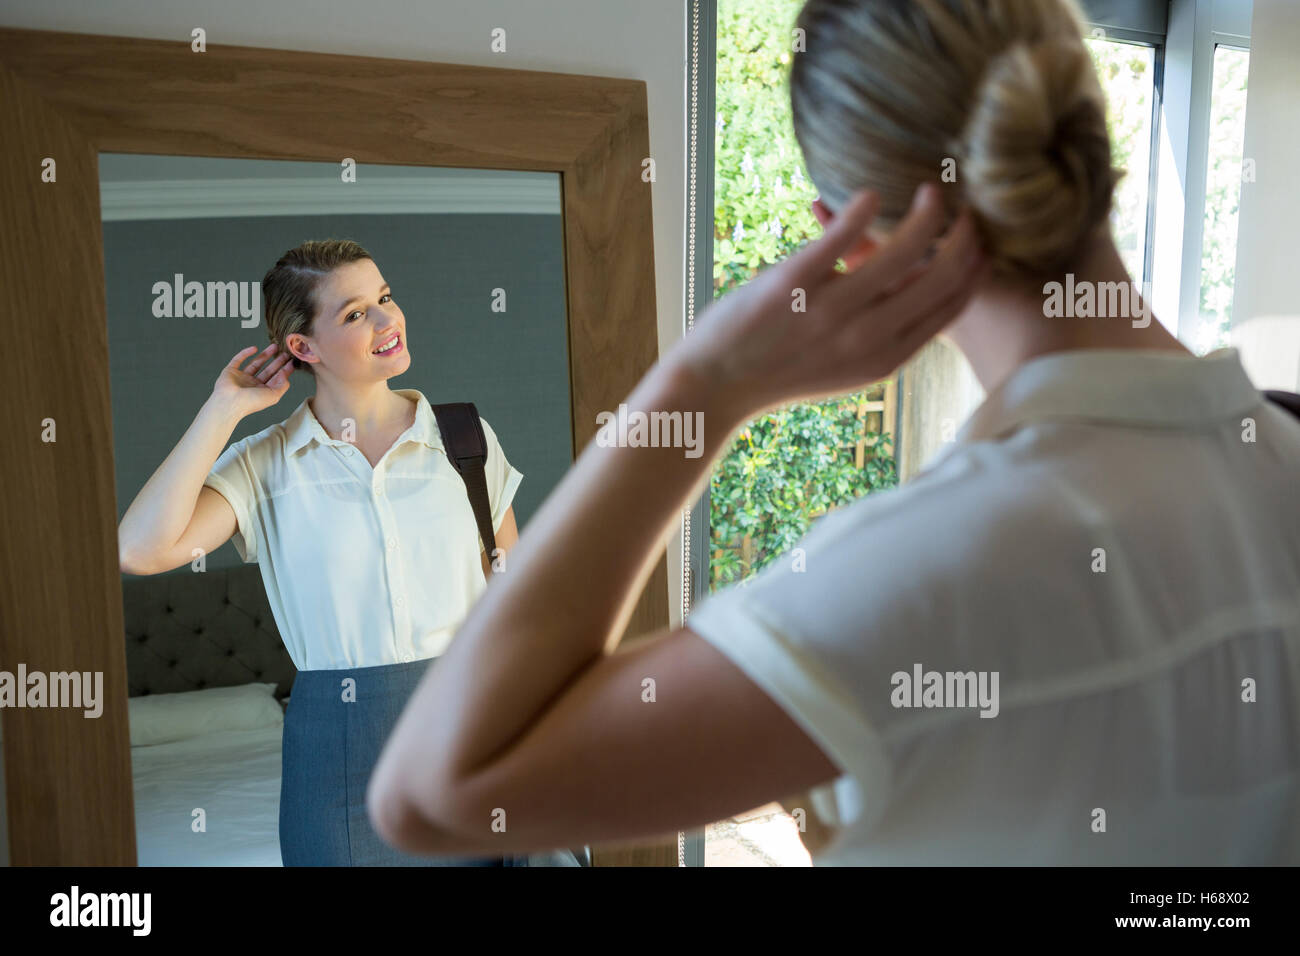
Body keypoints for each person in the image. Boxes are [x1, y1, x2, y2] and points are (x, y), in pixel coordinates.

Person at [365, 0, 1300, 866]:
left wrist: (706, 383)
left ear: (852, 243)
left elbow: (433, 796)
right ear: (1090, 146)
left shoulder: (928, 569)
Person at [118, 239, 525, 866]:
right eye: (356, 313)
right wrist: (226, 406)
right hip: (335, 752)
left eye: (385, 298)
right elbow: (141, 551)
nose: (389, 321)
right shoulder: (265, 464)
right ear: (303, 348)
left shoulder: (465, 439)